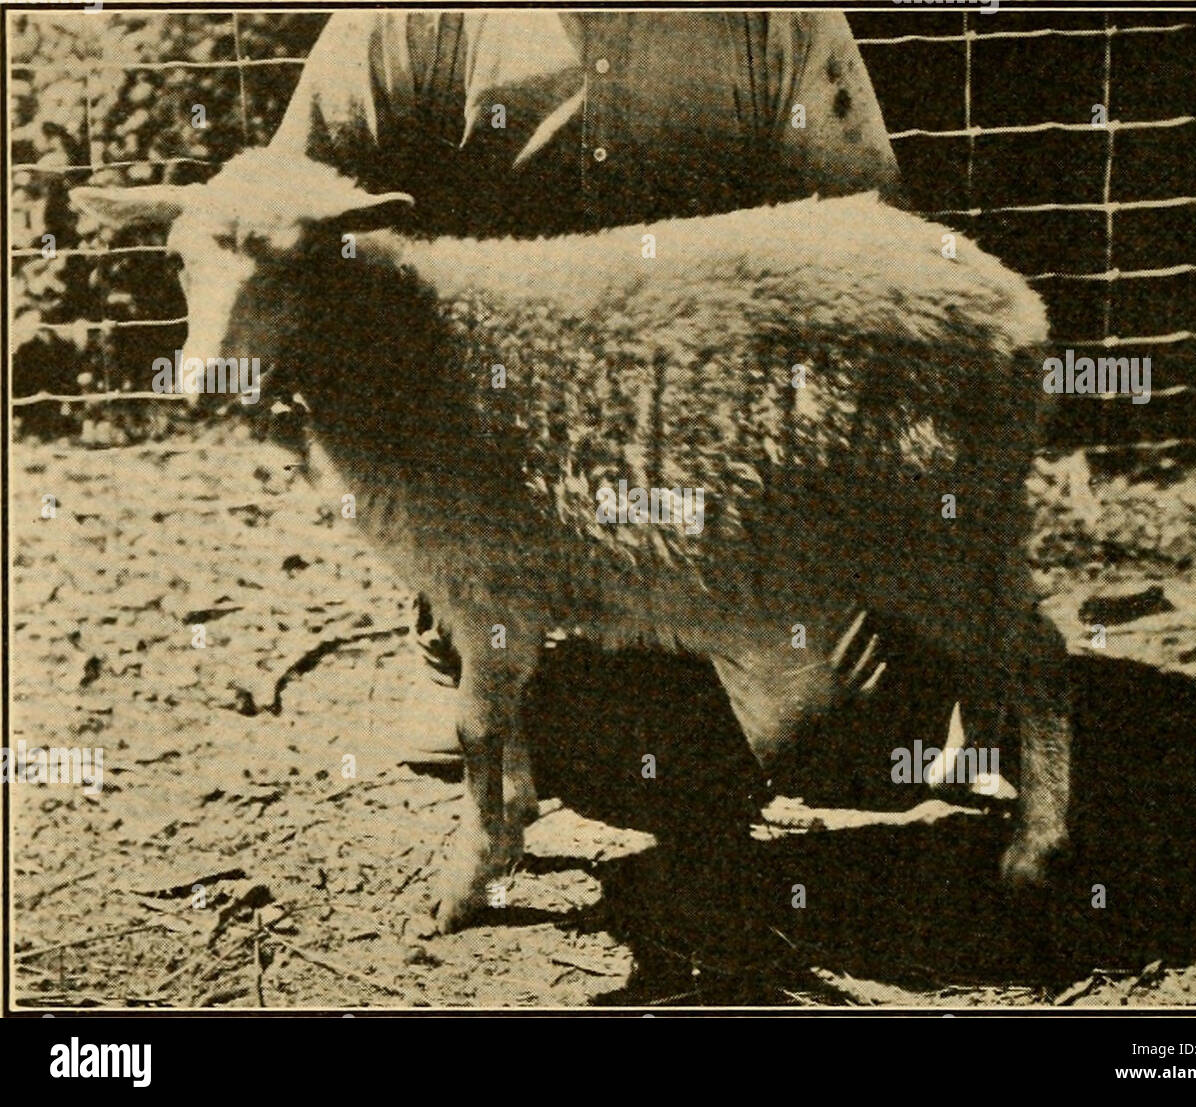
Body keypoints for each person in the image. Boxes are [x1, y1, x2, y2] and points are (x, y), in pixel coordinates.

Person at [269, 9, 906, 795]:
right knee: (537, 724)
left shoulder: (777, 21)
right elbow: (280, 215)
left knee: (820, 727)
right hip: (497, 483)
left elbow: (861, 237)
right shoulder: (405, 22)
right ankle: (476, 647)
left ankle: (678, 666)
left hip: (713, 482)